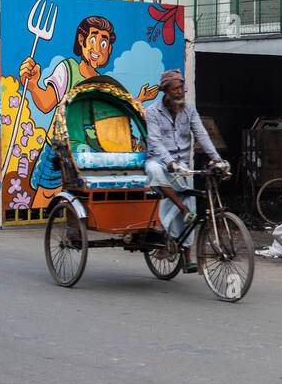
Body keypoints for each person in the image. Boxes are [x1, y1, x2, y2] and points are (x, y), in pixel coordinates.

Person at [20, 14, 156, 209]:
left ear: (109, 49)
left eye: (103, 43)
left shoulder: (103, 82)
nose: (97, 48)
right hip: (61, 149)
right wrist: (33, 85)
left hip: (91, 152)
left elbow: (111, 112)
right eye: (93, 39)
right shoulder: (67, 69)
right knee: (47, 195)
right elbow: (46, 103)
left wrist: (139, 100)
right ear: (81, 40)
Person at [145, 70, 225, 272]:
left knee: (192, 205)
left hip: (183, 166)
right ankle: (181, 209)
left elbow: (202, 135)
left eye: (181, 88)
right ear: (166, 91)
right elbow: (154, 142)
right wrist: (170, 162)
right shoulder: (152, 112)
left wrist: (217, 158)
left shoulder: (189, 110)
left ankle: (187, 256)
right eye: (176, 89)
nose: (180, 92)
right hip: (160, 162)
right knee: (155, 171)